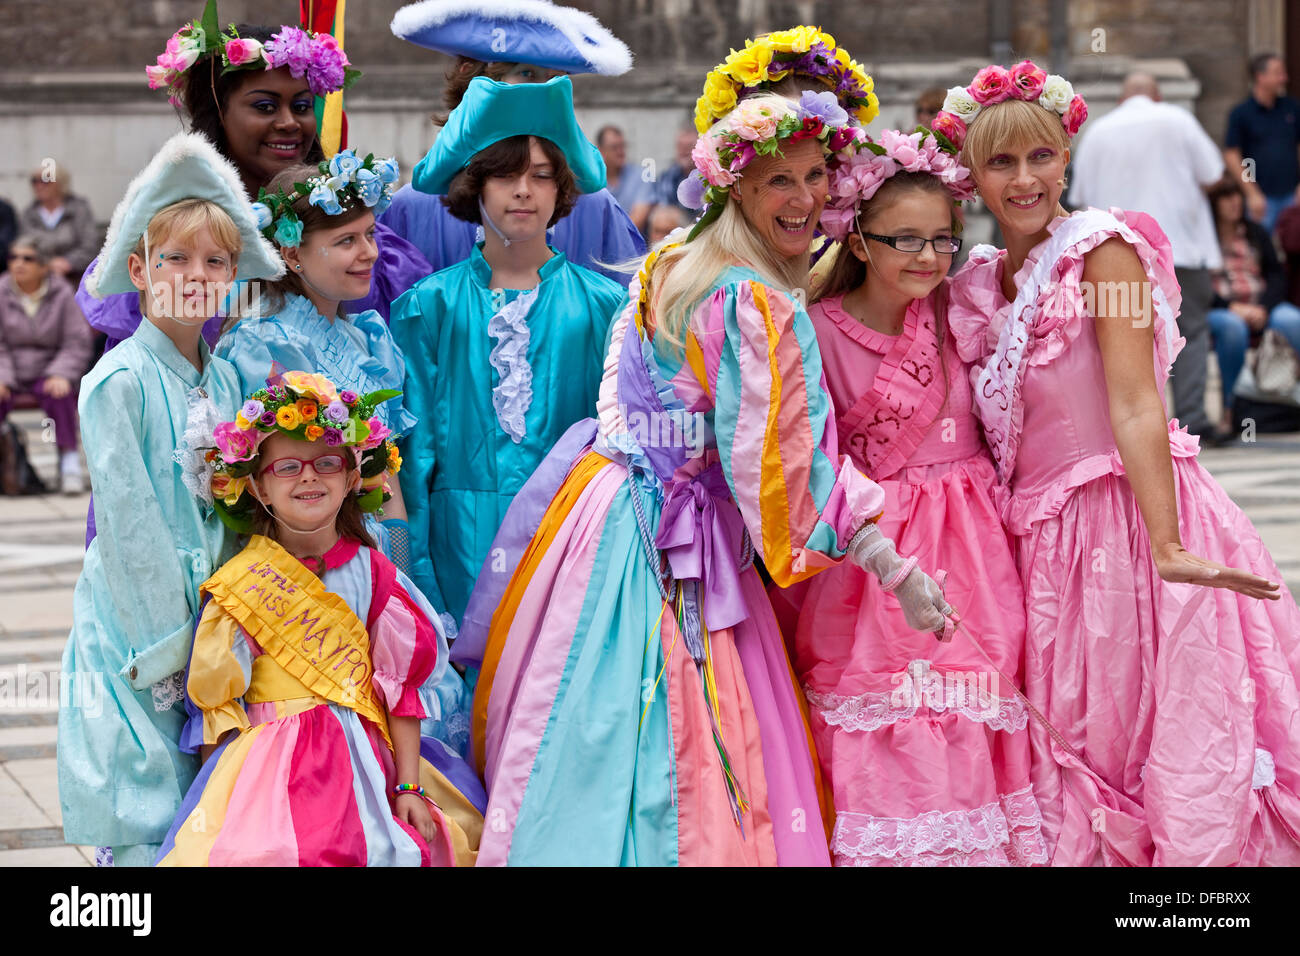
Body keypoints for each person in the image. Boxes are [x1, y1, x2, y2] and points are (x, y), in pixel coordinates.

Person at [456, 86, 954, 866]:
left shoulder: (669, 264)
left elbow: (628, 409)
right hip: (673, 549)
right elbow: (785, 477)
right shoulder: (754, 304)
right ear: (735, 187)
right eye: (779, 181)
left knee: (585, 728)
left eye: (817, 175)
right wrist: (892, 566)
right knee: (687, 746)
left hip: (601, 517)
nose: (806, 197)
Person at [935, 61, 1300, 866]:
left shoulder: (1104, 254)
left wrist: (1167, 545)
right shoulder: (976, 283)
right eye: (1000, 162)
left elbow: (1138, 404)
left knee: (1137, 738)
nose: (1025, 179)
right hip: (1034, 545)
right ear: (971, 175)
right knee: (1070, 737)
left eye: (1041, 156)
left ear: (1068, 157)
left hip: (1126, 520)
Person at [776, 129, 1044, 866]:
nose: (928, 258)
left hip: (975, 547)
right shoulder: (815, 331)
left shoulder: (960, 313)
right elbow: (811, 460)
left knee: (968, 709)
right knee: (888, 716)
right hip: (873, 562)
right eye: (906, 240)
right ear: (858, 241)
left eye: (943, 241)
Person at [58, 132, 285, 867]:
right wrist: (173, 646)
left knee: (211, 799)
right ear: (139, 270)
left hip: (219, 614)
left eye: (215, 261)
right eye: (176, 260)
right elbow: (128, 527)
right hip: (141, 623)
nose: (196, 276)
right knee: (146, 787)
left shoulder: (225, 381)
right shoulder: (116, 382)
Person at [154, 370, 483, 866]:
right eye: (286, 467)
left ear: (353, 478)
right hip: (266, 768)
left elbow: (399, 690)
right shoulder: (241, 583)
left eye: (326, 463)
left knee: (385, 847)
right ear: (259, 489)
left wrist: (409, 785)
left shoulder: (375, 575)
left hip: (365, 762)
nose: (308, 477)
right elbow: (219, 710)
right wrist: (214, 804)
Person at [391, 76, 625, 627]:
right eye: (505, 175)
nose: (524, 190)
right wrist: (415, 582)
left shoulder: (606, 305)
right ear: (476, 187)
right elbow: (411, 455)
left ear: (561, 190)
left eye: (542, 176)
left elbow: (621, 449)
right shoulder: (428, 306)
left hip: (569, 540)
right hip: (458, 551)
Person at [79, 6, 430, 354]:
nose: (289, 122)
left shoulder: (365, 243)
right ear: (219, 111)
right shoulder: (169, 236)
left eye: (302, 106)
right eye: (265, 107)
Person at [214, 153, 417, 572]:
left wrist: (397, 571)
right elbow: (271, 481)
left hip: (373, 561)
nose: (370, 253)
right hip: (306, 564)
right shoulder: (263, 342)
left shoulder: (367, 339)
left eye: (370, 234)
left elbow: (386, 476)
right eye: (347, 241)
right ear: (292, 256)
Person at [382, 0, 644, 286]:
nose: (543, 91)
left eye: (555, 79)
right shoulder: (411, 208)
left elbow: (627, 315)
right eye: (527, 74)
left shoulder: (594, 206)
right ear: (471, 76)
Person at [1070, 72, 1226, 442]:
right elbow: (1214, 174)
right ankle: (1190, 419)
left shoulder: (1098, 132)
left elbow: (1078, 199)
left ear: (1123, 98)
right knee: (1189, 332)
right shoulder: (1178, 119)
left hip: (1114, 254)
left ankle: (1128, 426)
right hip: (1178, 248)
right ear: (1156, 96)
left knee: (1117, 337)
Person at [0, 233, 94, 494]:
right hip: (10, 369)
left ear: (43, 266)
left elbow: (76, 341)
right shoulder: (1, 290)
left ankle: (69, 463)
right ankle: (6, 466)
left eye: (27, 259)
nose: (18, 263)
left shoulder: (62, 293)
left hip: (48, 369)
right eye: (13, 257)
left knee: (60, 393)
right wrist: (2, 377)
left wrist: (61, 373)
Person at [1205, 175, 1300, 425]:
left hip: (1261, 306)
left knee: (1291, 320)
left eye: (1237, 195)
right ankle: (1231, 409)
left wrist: (1264, 308)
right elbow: (1197, 284)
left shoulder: (1254, 232)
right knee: (1232, 328)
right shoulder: (1203, 236)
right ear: (1214, 203)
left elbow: (1276, 274)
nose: (1234, 202)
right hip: (1221, 309)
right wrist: (1232, 307)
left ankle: (1291, 402)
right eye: (1226, 197)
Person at [1225, 53, 1300, 233]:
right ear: (1261, 76)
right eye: (1278, 73)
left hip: (1293, 196)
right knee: (1264, 251)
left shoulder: (1292, 108)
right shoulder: (1241, 113)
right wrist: (1251, 192)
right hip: (1261, 199)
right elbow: (1233, 156)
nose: (1284, 78)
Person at [22, 163, 100, 286]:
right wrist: (49, 264)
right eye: (34, 181)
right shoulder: (29, 214)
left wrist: (69, 262)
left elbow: (90, 245)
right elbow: (25, 249)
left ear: (61, 183)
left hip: (77, 278)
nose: (39, 185)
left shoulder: (79, 208)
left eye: (45, 180)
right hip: (40, 280)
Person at [597, 124, 654, 233]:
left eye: (622, 146)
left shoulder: (641, 175)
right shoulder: (592, 181)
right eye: (614, 147)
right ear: (601, 151)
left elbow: (637, 221)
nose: (621, 152)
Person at [651, 123, 700, 217]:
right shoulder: (666, 177)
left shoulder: (709, 177)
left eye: (689, 146)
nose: (684, 151)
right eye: (680, 146)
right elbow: (664, 212)